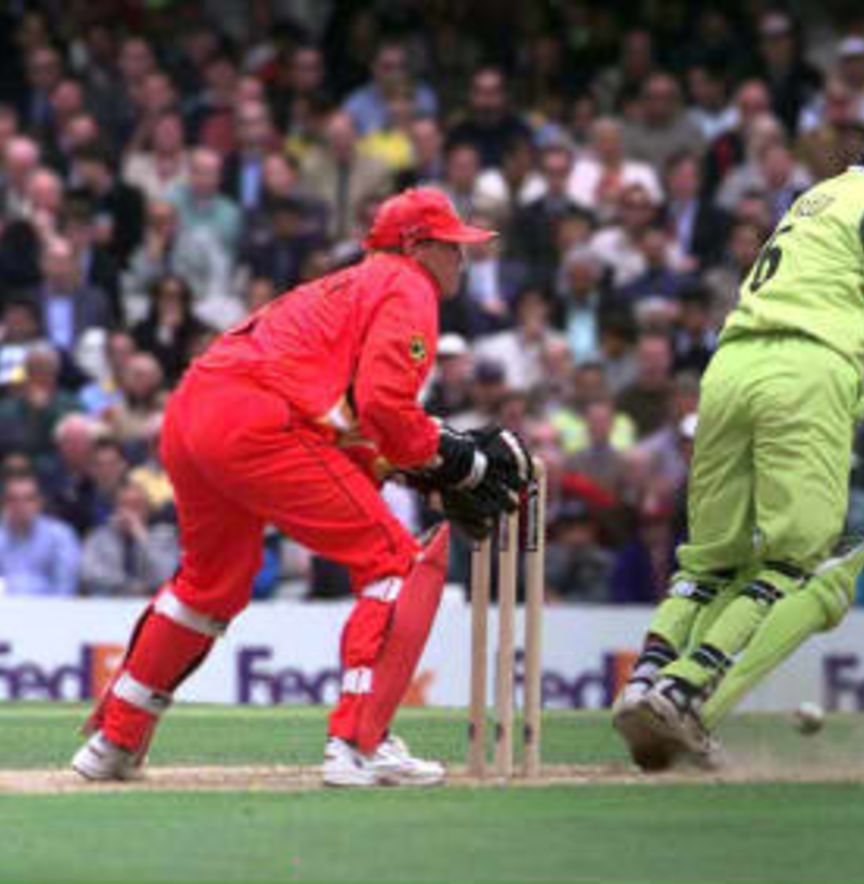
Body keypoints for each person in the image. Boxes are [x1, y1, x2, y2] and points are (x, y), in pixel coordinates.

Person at [72, 188, 532, 788]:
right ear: (418, 246)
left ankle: (116, 740)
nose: (462, 261)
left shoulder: (347, 285)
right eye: (453, 247)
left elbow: (350, 424)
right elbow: (384, 407)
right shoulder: (406, 285)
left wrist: (423, 460)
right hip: (259, 420)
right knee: (393, 560)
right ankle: (359, 744)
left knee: (209, 584)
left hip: (193, 410)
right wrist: (459, 465)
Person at [611, 115, 864, 770]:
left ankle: (643, 682)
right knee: (793, 559)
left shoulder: (818, 196)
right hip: (806, 375)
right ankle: (684, 691)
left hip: (731, 368)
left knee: (708, 560)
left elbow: (856, 293)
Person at [0, 472, 81, 596]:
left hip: (49, 609)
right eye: (13, 499)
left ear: (39, 503)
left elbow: (66, 585)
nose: (20, 505)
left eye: (28, 499)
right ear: (4, 504)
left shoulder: (60, 535)